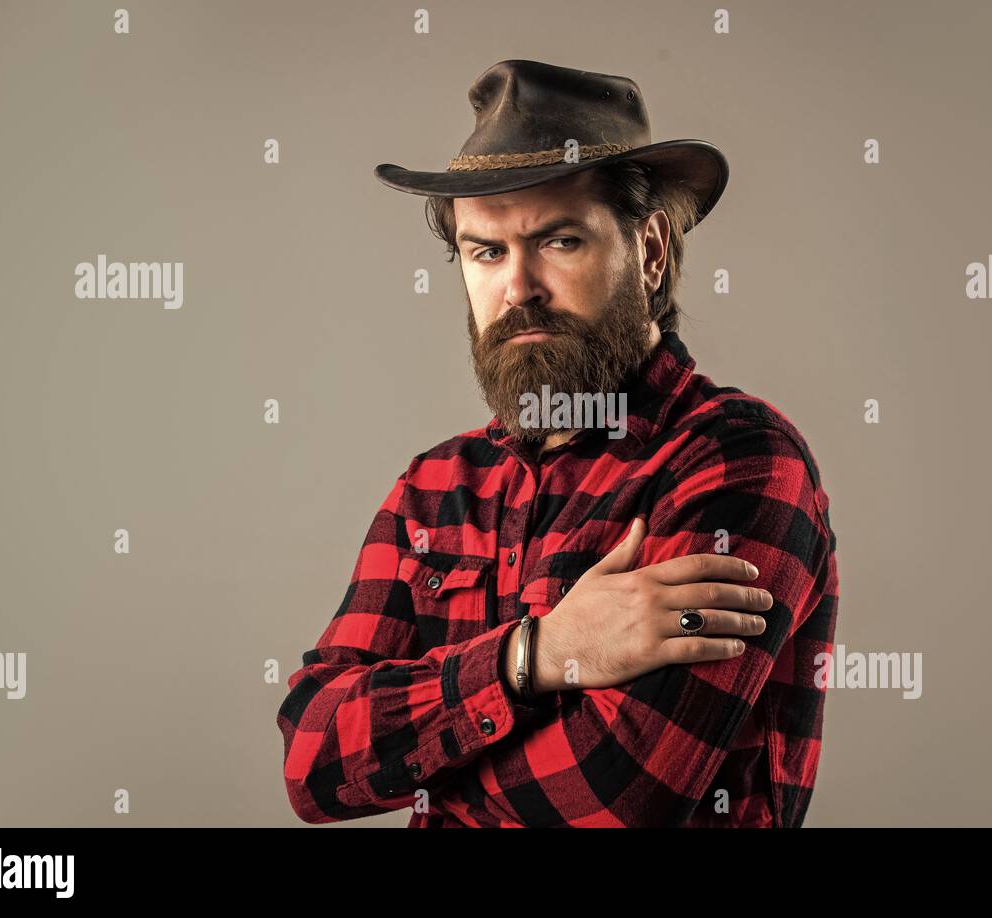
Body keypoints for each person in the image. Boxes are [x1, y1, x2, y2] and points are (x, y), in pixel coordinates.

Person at [276, 59, 839, 827]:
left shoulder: (738, 461)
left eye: (560, 241)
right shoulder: (437, 484)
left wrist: (414, 767)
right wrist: (532, 656)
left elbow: (619, 795)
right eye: (487, 252)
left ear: (649, 252)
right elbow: (312, 759)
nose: (519, 288)